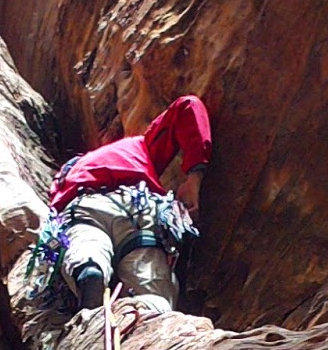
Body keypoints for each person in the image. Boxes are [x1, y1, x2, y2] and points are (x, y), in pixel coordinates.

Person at [32, 95, 211, 314]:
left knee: (86, 248)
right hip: (137, 207)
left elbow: (56, 223)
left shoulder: (66, 176)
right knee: (154, 298)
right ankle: (150, 311)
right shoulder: (137, 147)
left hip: (84, 207)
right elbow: (188, 106)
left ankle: (90, 267)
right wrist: (194, 177)